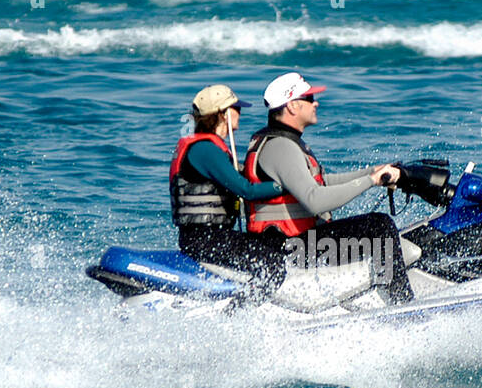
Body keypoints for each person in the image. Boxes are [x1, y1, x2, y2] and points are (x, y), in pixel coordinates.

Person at [242, 72, 414, 303]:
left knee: (385, 230)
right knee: (379, 227)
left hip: (298, 241)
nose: (316, 103)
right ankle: (400, 302)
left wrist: (373, 171)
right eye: (310, 98)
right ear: (292, 106)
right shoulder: (280, 147)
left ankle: (380, 291)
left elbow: (323, 182)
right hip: (289, 249)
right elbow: (316, 200)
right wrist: (370, 181)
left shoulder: (286, 142)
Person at [170, 84, 288, 300]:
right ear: (223, 114)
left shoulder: (210, 148)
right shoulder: (205, 150)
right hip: (205, 239)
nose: (240, 114)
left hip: (209, 236)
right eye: (237, 109)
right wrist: (284, 186)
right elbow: (247, 191)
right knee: (273, 264)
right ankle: (240, 314)